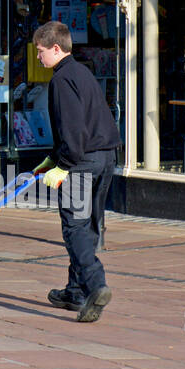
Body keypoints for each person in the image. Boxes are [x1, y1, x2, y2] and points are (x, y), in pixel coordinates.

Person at [31, 21, 123, 323]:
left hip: (81, 161)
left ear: (56, 48)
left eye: (41, 52)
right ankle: (75, 290)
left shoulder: (61, 80)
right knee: (90, 225)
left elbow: (73, 129)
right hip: (105, 158)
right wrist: (52, 158)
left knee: (75, 227)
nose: (38, 58)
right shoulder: (82, 72)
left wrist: (63, 166)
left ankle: (96, 285)